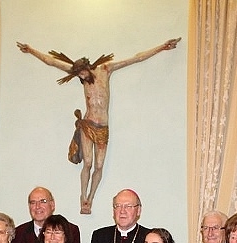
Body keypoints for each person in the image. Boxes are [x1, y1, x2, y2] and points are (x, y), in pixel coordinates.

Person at [17, 39, 180, 214]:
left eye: (82, 73)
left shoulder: (105, 70)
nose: (81, 77)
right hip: (88, 124)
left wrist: (162, 47)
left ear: (88, 68)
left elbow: (136, 58)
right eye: (78, 75)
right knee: (87, 163)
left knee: (99, 165)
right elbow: (52, 61)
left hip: (102, 126)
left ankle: (91, 197)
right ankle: (83, 198)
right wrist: (31, 50)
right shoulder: (80, 75)